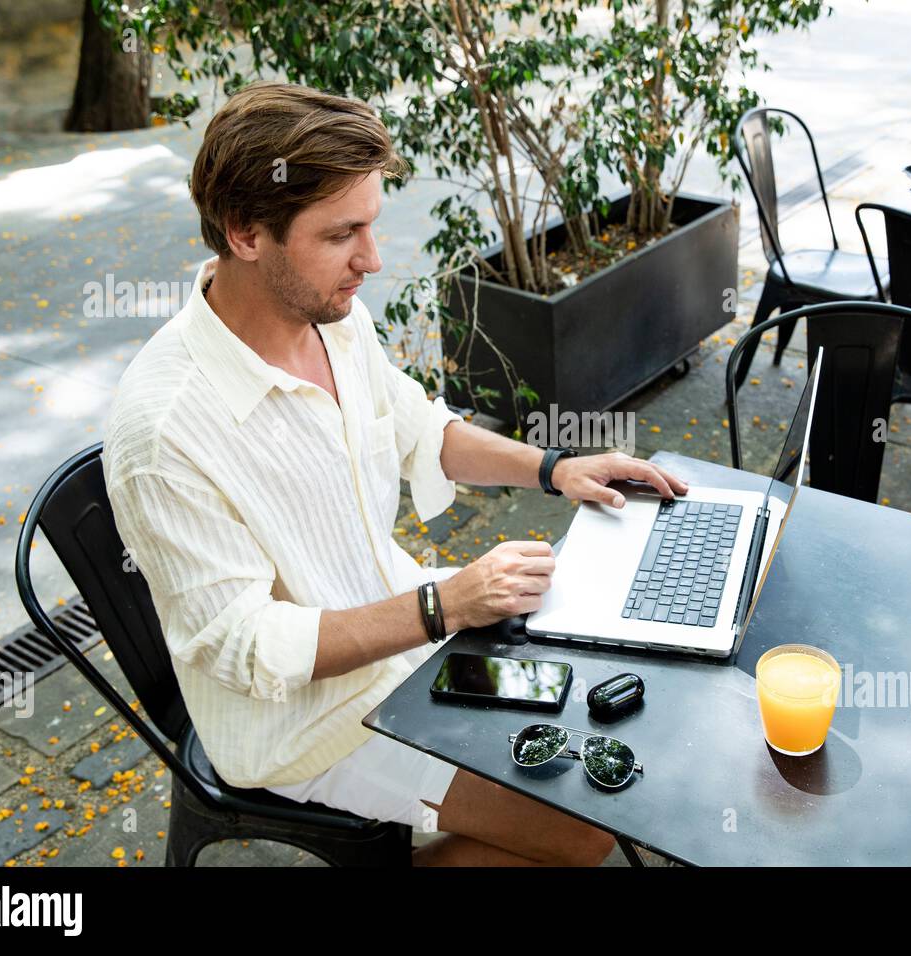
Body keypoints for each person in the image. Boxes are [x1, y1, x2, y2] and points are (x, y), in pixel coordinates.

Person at [103, 82, 689, 866]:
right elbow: (250, 649)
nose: (372, 261)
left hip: (398, 626)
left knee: (610, 715)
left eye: (371, 225)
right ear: (246, 232)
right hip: (300, 721)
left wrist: (556, 469)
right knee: (579, 830)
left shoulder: (333, 320)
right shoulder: (165, 431)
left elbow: (420, 427)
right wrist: (443, 604)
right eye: (343, 234)